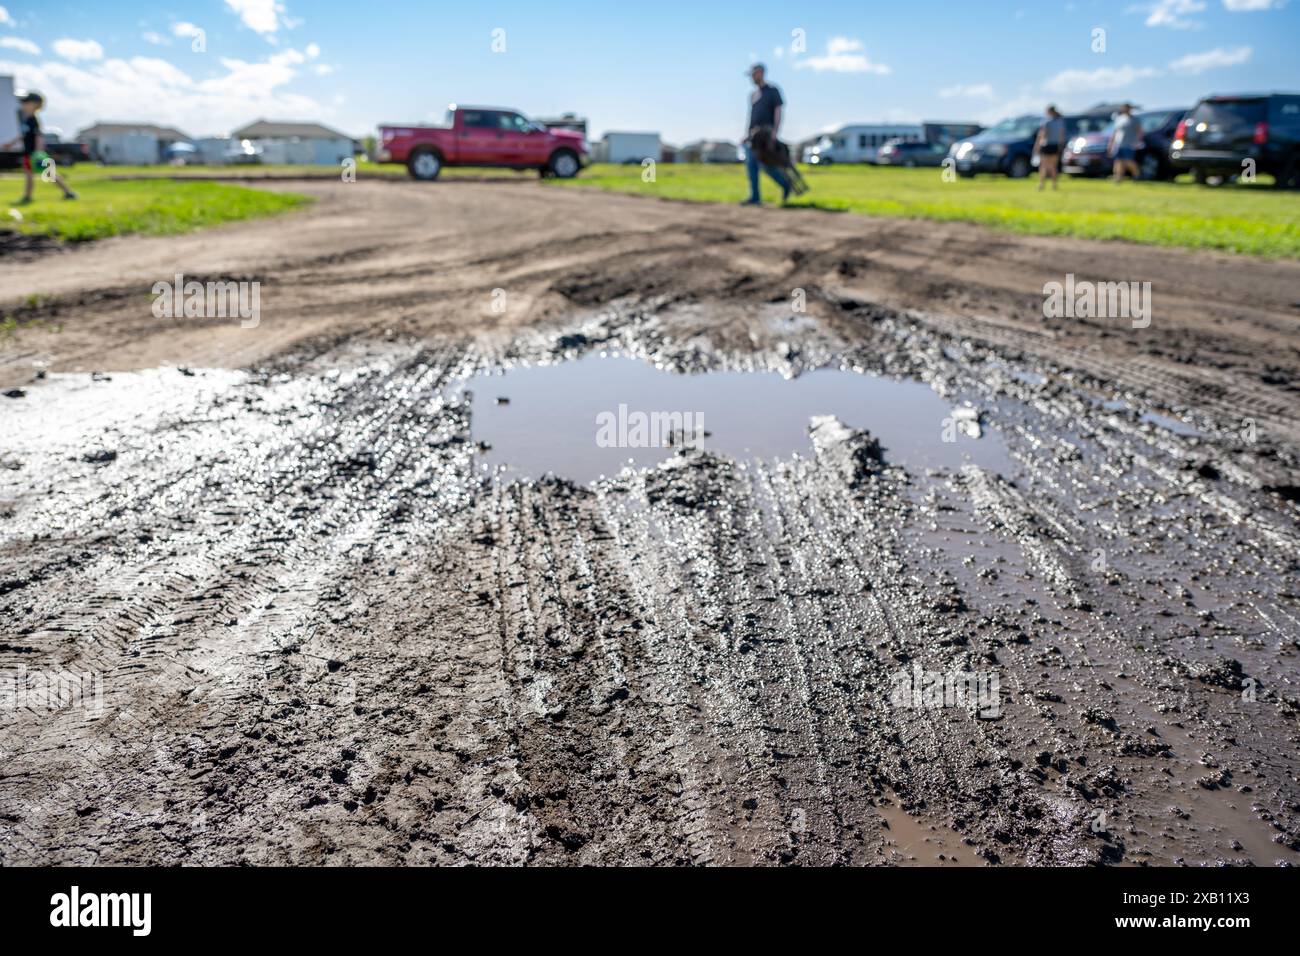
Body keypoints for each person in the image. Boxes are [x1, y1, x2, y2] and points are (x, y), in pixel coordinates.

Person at [2, 92, 77, 205]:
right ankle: (27, 196)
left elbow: (38, 136)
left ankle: (68, 192)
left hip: (35, 153)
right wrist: (11, 144)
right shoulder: (27, 120)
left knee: (49, 174)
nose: (23, 104)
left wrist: (38, 152)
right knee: (28, 175)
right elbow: (23, 136)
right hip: (28, 153)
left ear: (35, 104)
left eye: (26, 102)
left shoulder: (34, 120)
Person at [741, 63, 791, 206]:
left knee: (767, 166)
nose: (752, 77)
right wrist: (747, 134)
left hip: (766, 135)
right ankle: (755, 197)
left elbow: (778, 111)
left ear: (761, 73)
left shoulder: (772, 90)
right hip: (753, 137)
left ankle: (785, 184)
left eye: (753, 74)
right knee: (751, 166)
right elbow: (751, 117)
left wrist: (775, 131)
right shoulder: (753, 95)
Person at [1108, 103, 1143, 184]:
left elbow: (1140, 132)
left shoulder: (1134, 119)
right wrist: (1111, 144)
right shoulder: (1119, 119)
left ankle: (1137, 175)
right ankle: (1118, 178)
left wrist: (1138, 142)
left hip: (1130, 144)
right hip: (1119, 144)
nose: (1125, 110)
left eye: (1127, 108)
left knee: (1128, 161)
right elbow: (1114, 132)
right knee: (1118, 161)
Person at [1035, 105, 1066, 191]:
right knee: (1053, 166)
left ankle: (1041, 184)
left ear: (1049, 111)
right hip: (1055, 146)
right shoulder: (1060, 121)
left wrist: (1037, 145)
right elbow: (1061, 135)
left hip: (1046, 145)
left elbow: (1042, 134)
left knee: (1043, 166)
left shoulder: (1046, 121)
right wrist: (1061, 146)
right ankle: (1054, 185)